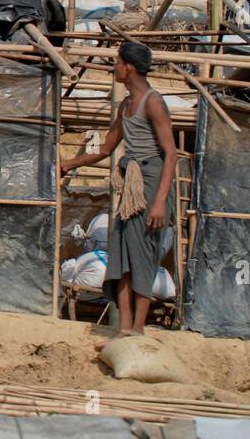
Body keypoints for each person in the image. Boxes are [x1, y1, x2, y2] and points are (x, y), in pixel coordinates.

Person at [60, 41, 178, 341]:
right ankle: (123, 328)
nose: (114, 67)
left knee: (143, 255)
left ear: (130, 67)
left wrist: (160, 202)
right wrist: (69, 163)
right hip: (132, 188)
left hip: (151, 186)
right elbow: (106, 148)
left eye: (117, 62)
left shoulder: (153, 103)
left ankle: (138, 328)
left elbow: (171, 154)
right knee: (122, 253)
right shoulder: (125, 106)